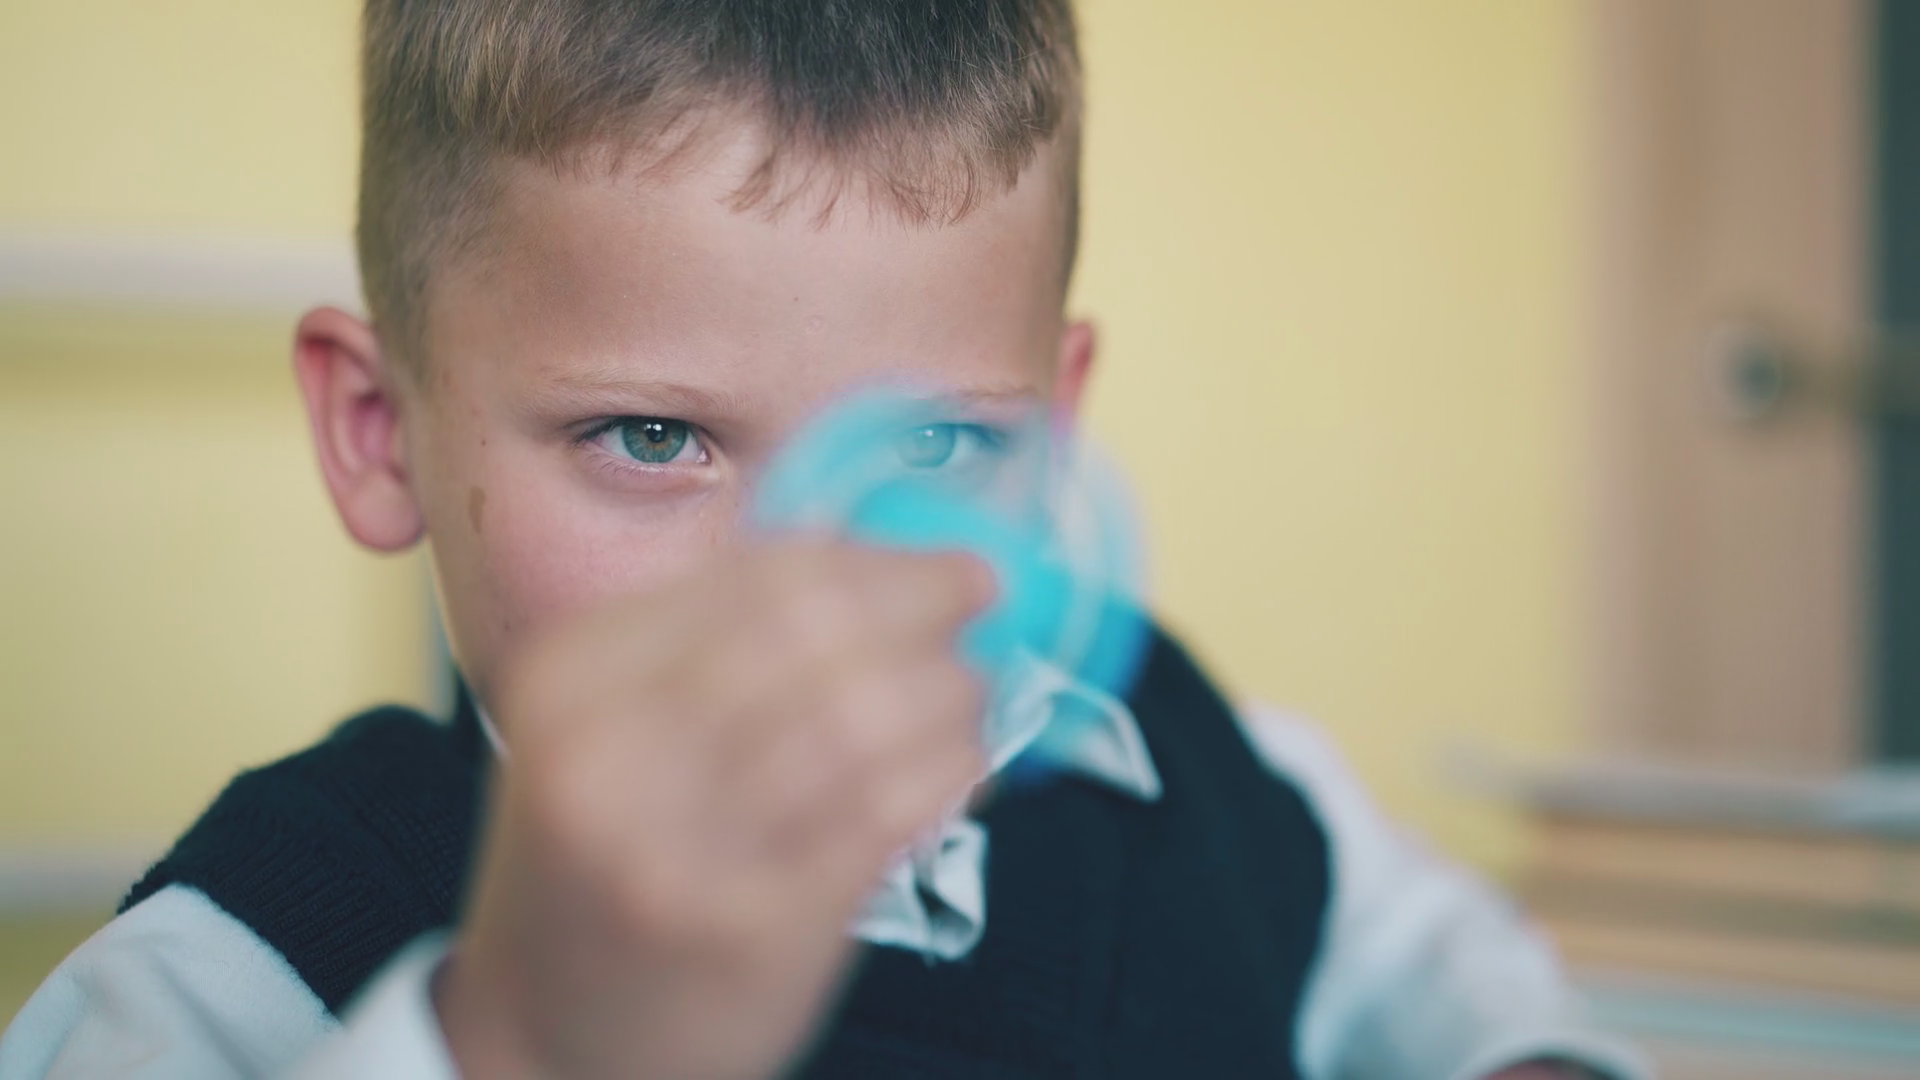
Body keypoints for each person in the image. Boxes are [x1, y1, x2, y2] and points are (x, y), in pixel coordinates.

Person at [0, 1, 1645, 1077]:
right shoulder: (255, 958)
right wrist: (509, 1043)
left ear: (1055, 438)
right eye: (654, 440)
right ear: (379, 431)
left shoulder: (1190, 775)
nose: (803, 590)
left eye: (933, 448)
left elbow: (1441, 968)